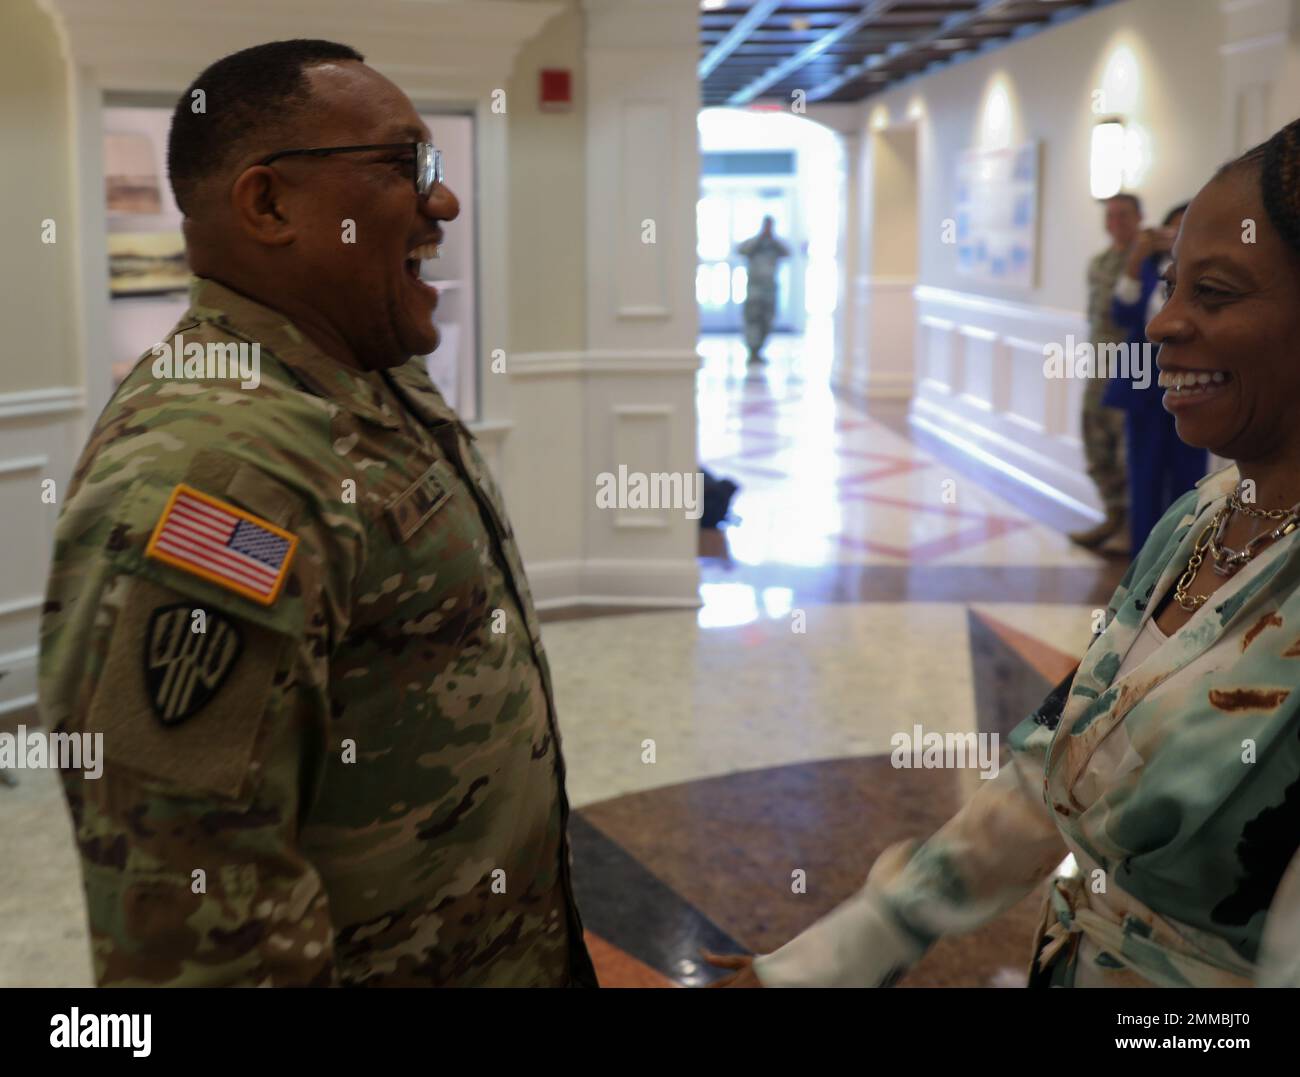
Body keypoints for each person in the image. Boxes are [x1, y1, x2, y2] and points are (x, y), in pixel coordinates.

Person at [38, 39, 597, 988]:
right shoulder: (214, 473)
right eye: (403, 164)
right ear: (268, 203)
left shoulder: (369, 373)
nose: (444, 200)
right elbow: (200, 933)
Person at [707, 116, 1300, 988]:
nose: (1165, 321)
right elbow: (1054, 756)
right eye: (1170, 285)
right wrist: (833, 958)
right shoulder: (1205, 516)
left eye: (1213, 292)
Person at [1106, 202, 1207, 557]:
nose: (1177, 237)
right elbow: (1121, 310)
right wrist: (1138, 256)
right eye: (1171, 230)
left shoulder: (1207, 274)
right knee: (1144, 475)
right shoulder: (1147, 268)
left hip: (1194, 381)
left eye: (1186, 230)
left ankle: (1182, 559)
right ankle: (1142, 560)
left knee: (1189, 477)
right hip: (1145, 385)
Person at [1068, 194, 1141, 552]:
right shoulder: (1098, 262)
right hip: (1099, 362)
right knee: (1094, 433)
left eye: (1123, 214)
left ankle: (1133, 526)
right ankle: (1112, 513)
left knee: (1126, 440)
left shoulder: (1149, 261)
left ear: (1139, 217)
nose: (1115, 221)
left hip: (1133, 362)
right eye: (1110, 215)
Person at [736, 216, 791, 364]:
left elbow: (788, 252)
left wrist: (772, 239)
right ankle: (752, 350)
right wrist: (759, 239)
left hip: (770, 289)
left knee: (768, 319)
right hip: (754, 289)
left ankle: (760, 349)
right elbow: (741, 250)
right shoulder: (754, 243)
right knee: (753, 319)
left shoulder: (775, 244)